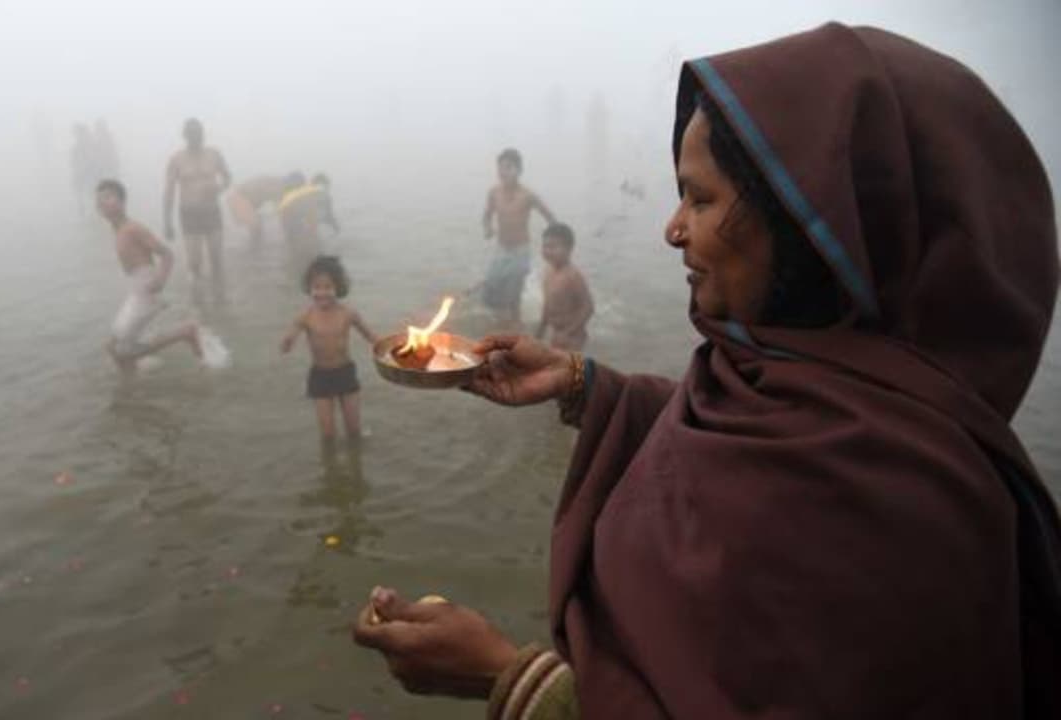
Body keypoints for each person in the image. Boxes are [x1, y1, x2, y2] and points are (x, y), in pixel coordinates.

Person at [352, 23, 1061, 719]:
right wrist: (581, 384)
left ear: (810, 223)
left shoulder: (900, 512)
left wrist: (511, 681)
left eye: (700, 197)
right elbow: (736, 443)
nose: (672, 228)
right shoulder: (780, 379)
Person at [96, 179, 210, 376]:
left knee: (121, 350)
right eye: (99, 200)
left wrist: (160, 280)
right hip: (136, 291)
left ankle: (185, 333)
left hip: (147, 291)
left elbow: (167, 254)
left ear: (122, 202)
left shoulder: (132, 228)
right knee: (112, 347)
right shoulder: (117, 228)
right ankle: (132, 381)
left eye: (108, 197)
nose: (102, 202)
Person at [280, 255, 377, 441]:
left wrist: (394, 350)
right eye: (316, 287)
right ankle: (330, 466)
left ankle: (355, 462)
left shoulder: (348, 314)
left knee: (354, 430)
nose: (322, 293)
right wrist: (287, 342)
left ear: (338, 288)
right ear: (309, 288)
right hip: (320, 376)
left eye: (328, 287)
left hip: (345, 373)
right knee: (327, 434)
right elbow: (291, 335)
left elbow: (371, 337)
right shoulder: (306, 316)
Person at [481, 148, 556, 330]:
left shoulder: (527, 195)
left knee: (513, 292)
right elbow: (487, 215)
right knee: (490, 291)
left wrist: (554, 245)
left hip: (521, 250)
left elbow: (549, 217)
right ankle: (501, 319)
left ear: (519, 170)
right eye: (500, 168)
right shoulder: (494, 192)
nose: (503, 172)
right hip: (501, 248)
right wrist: (488, 228)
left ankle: (516, 324)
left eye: (508, 167)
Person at [163, 118, 232, 286]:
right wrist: (167, 221)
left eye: (199, 134)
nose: (196, 138)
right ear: (185, 136)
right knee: (194, 262)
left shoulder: (214, 154)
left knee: (216, 258)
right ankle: (197, 301)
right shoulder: (177, 159)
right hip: (189, 212)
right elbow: (169, 191)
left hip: (211, 210)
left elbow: (228, 177)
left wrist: (219, 188)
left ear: (203, 135)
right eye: (192, 134)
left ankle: (219, 298)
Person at [535, 223, 593, 351]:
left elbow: (588, 307)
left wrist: (568, 332)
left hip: (573, 336)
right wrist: (541, 329)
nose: (547, 251)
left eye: (553, 247)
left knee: (574, 369)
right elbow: (548, 304)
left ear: (569, 249)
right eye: (545, 246)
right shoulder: (548, 272)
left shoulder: (573, 275)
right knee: (557, 366)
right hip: (556, 332)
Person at [226, 173, 294, 245]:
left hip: (239, 197)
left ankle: (254, 248)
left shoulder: (277, 183)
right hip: (238, 197)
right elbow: (283, 210)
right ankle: (253, 250)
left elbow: (281, 208)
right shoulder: (278, 186)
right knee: (255, 226)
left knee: (256, 227)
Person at [69, 123, 97, 217]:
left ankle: (91, 213)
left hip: (88, 171)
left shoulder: (88, 143)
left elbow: (91, 157)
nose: (76, 135)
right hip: (82, 171)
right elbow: (74, 159)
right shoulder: (78, 145)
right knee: (81, 193)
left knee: (89, 192)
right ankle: (84, 212)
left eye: (77, 133)